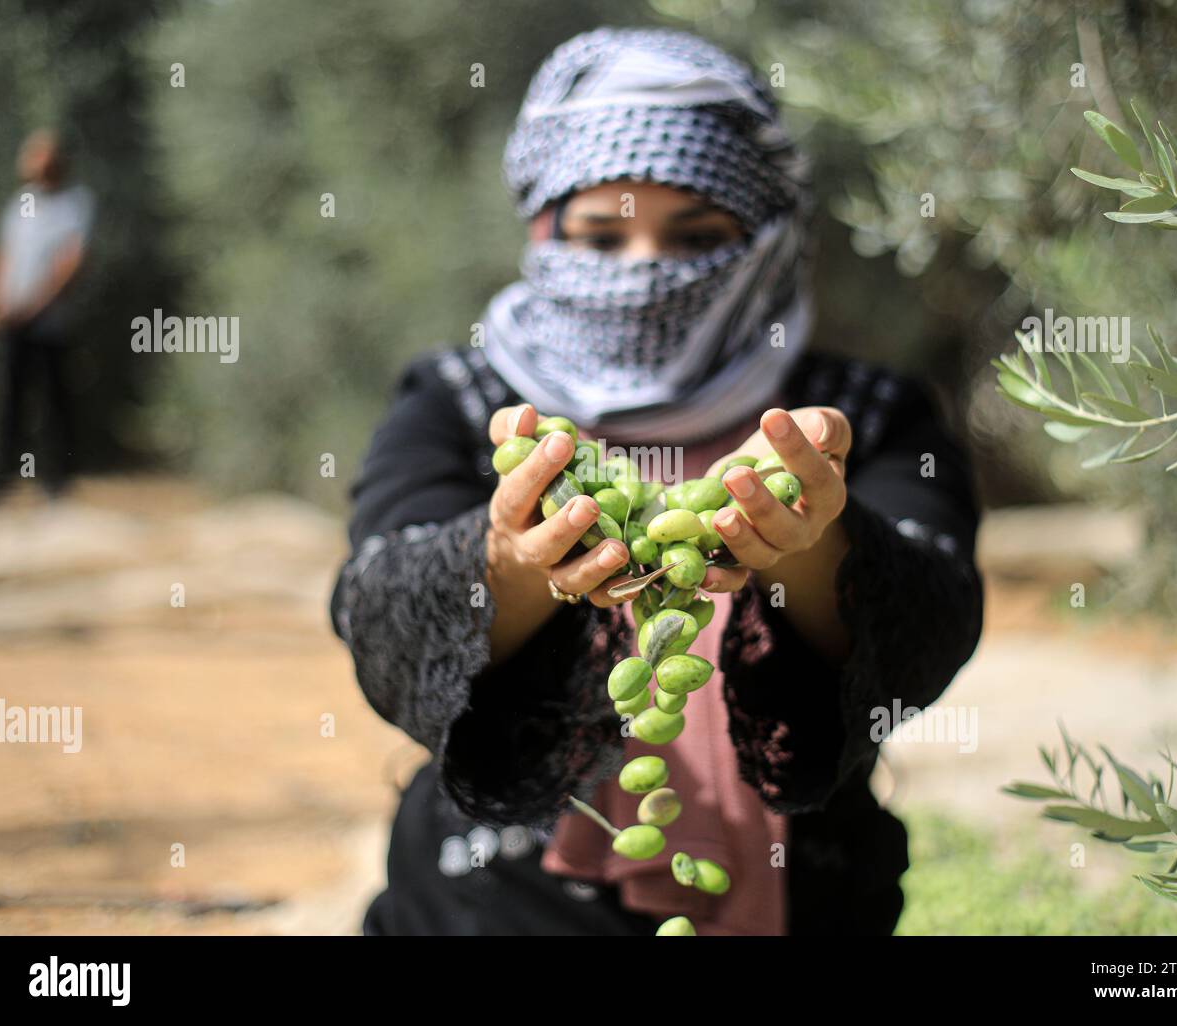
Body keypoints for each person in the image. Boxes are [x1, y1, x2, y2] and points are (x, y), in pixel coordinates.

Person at [330, 27, 983, 936]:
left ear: (766, 242)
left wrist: (814, 545)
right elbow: (376, 618)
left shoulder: (860, 413)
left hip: (812, 897)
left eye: (696, 236)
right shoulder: (462, 397)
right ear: (542, 235)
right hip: (488, 907)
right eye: (601, 237)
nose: (643, 270)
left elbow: (933, 622)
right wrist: (512, 562)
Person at [0, 128, 95, 498]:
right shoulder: (21, 203)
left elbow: (71, 262)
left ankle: (57, 484)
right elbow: (5, 254)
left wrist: (33, 306)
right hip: (14, 323)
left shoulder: (75, 203)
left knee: (53, 401)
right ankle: (0, 483)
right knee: (10, 401)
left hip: (51, 325)